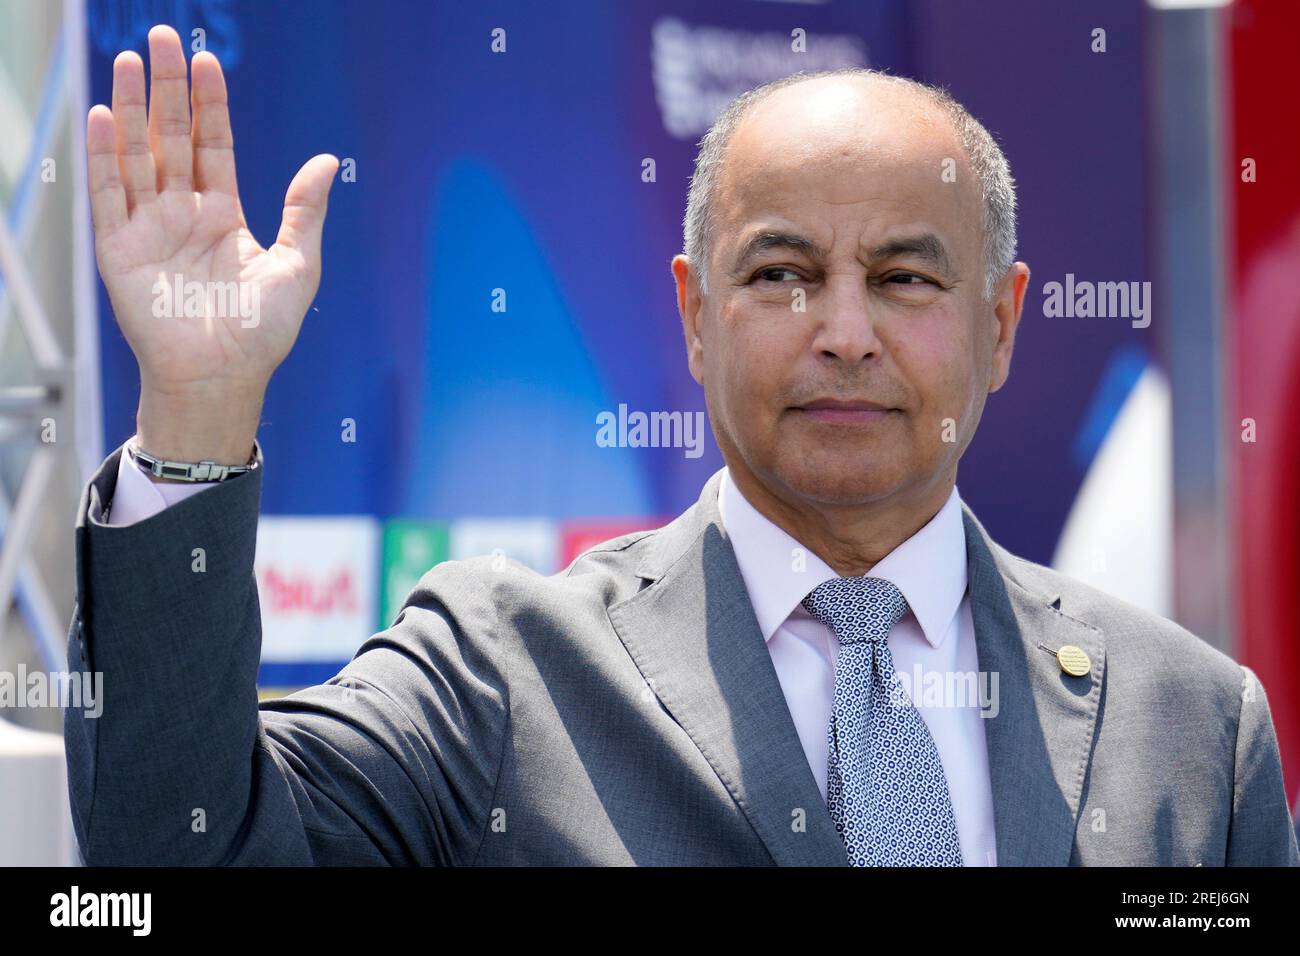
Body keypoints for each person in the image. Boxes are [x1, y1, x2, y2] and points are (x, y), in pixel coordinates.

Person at [66, 24, 1299, 866]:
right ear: (697, 317)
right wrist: (195, 410)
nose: (845, 332)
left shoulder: (1191, 724)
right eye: (782, 272)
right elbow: (174, 848)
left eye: (905, 276)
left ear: (999, 323)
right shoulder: (504, 670)